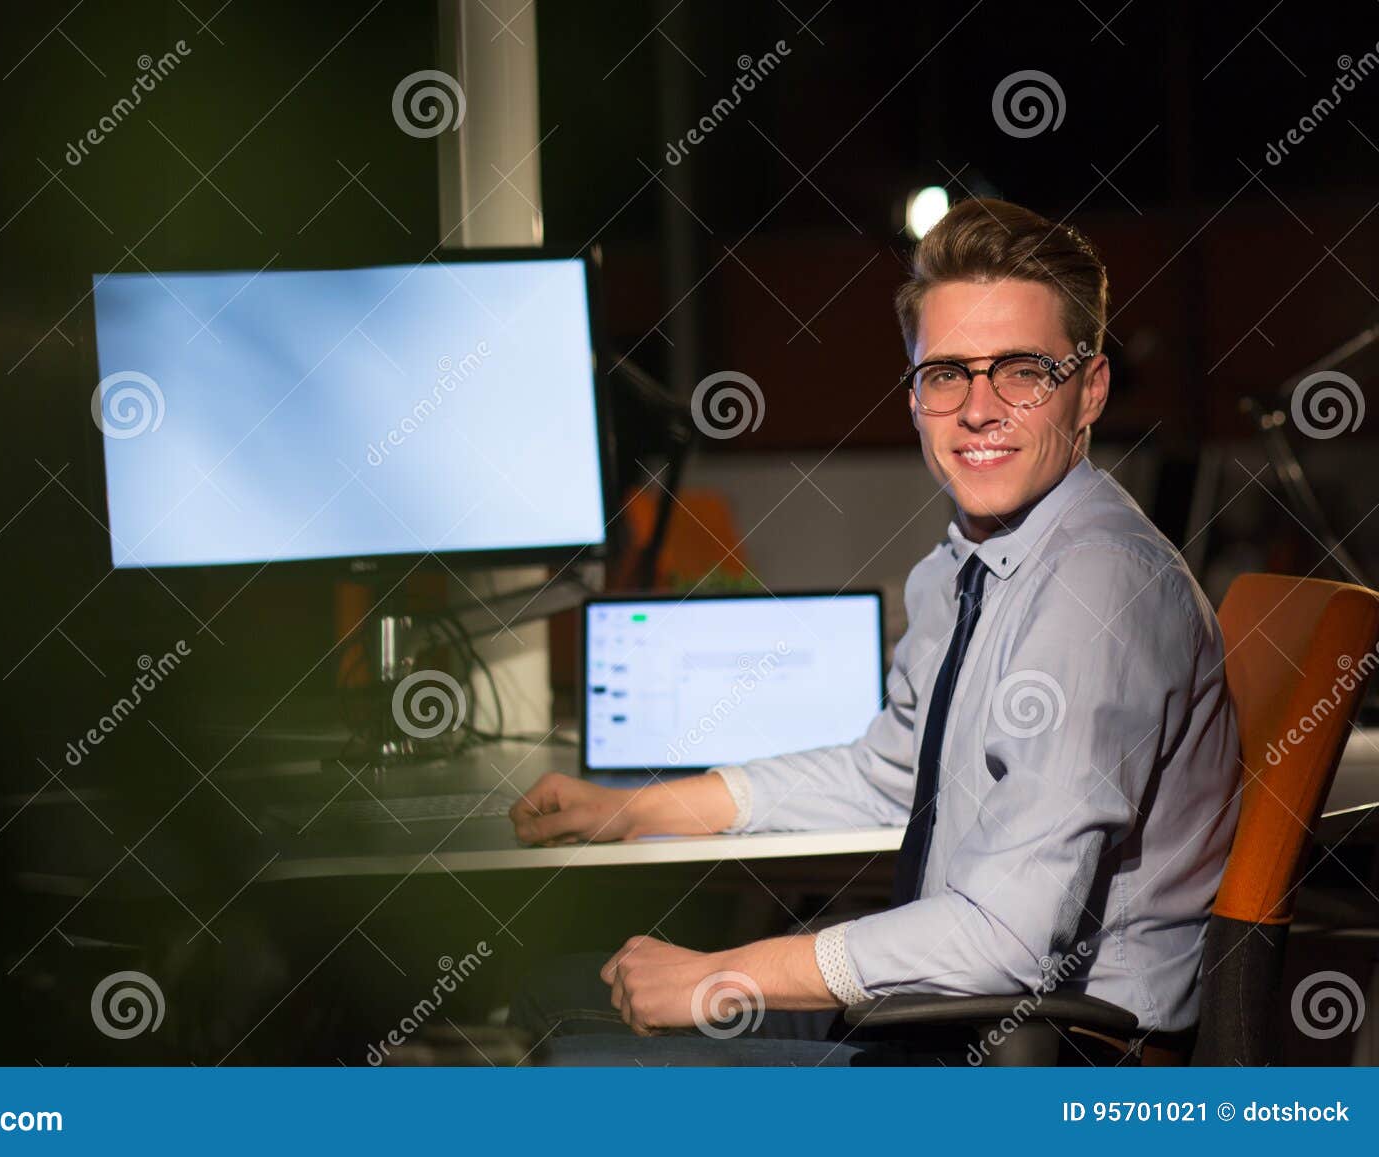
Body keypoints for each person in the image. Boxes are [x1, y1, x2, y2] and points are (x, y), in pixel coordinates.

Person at [506, 198, 1241, 1065]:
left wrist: (720, 973)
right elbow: (887, 775)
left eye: (1022, 372)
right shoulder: (968, 563)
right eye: (946, 373)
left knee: (574, 1057)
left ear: (1089, 391)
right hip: (965, 1012)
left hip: (1050, 1055)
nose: (978, 408)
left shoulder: (1097, 592)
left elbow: (1004, 937)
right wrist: (640, 807)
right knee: (551, 994)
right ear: (914, 394)